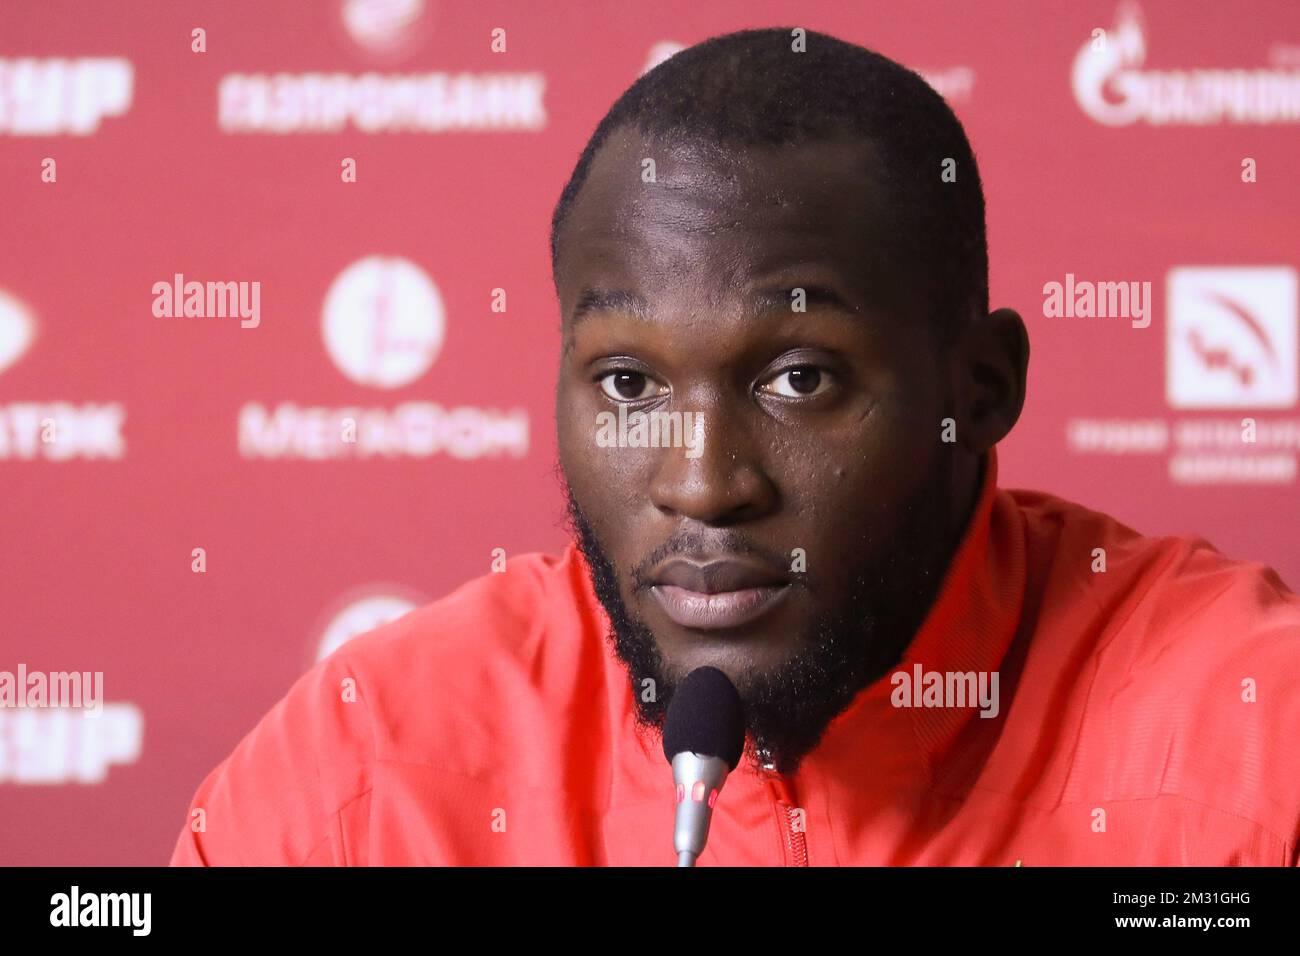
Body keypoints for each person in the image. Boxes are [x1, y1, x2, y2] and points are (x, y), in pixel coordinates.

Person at [171, 27, 1300, 866]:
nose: (702, 483)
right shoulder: (362, 777)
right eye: (628, 381)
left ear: (981, 386)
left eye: (799, 378)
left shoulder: (1248, 737)